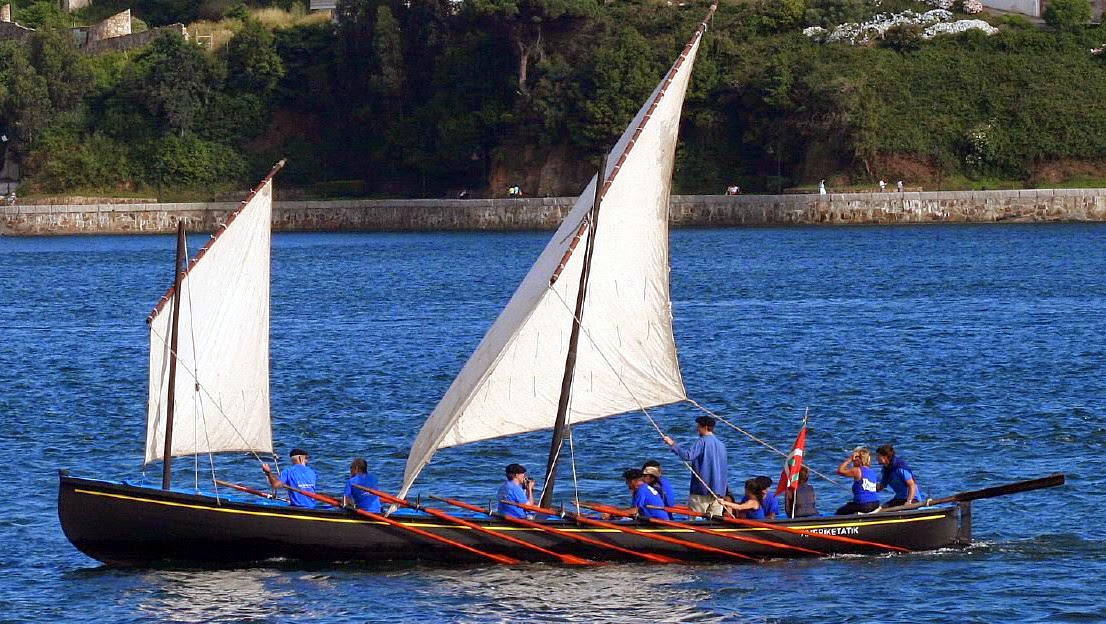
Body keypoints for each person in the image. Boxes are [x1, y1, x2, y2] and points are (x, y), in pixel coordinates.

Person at [663, 415, 727, 516]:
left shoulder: (702, 442)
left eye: (699, 426)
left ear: (705, 427)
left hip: (702, 490)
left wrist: (672, 444)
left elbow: (688, 455)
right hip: (719, 490)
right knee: (716, 520)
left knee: (695, 518)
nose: (697, 429)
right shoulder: (721, 445)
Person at [601, 468, 670, 520]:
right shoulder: (644, 488)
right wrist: (615, 512)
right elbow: (634, 510)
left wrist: (613, 514)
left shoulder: (642, 491)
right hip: (651, 518)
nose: (626, 484)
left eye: (627, 481)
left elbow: (635, 511)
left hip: (657, 522)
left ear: (632, 482)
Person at [835, 447, 880, 515]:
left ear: (860, 459)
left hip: (864, 505)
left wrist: (849, 459)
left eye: (855, 458)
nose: (853, 460)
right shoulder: (872, 471)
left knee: (839, 512)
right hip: (875, 503)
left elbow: (839, 471)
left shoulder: (857, 470)